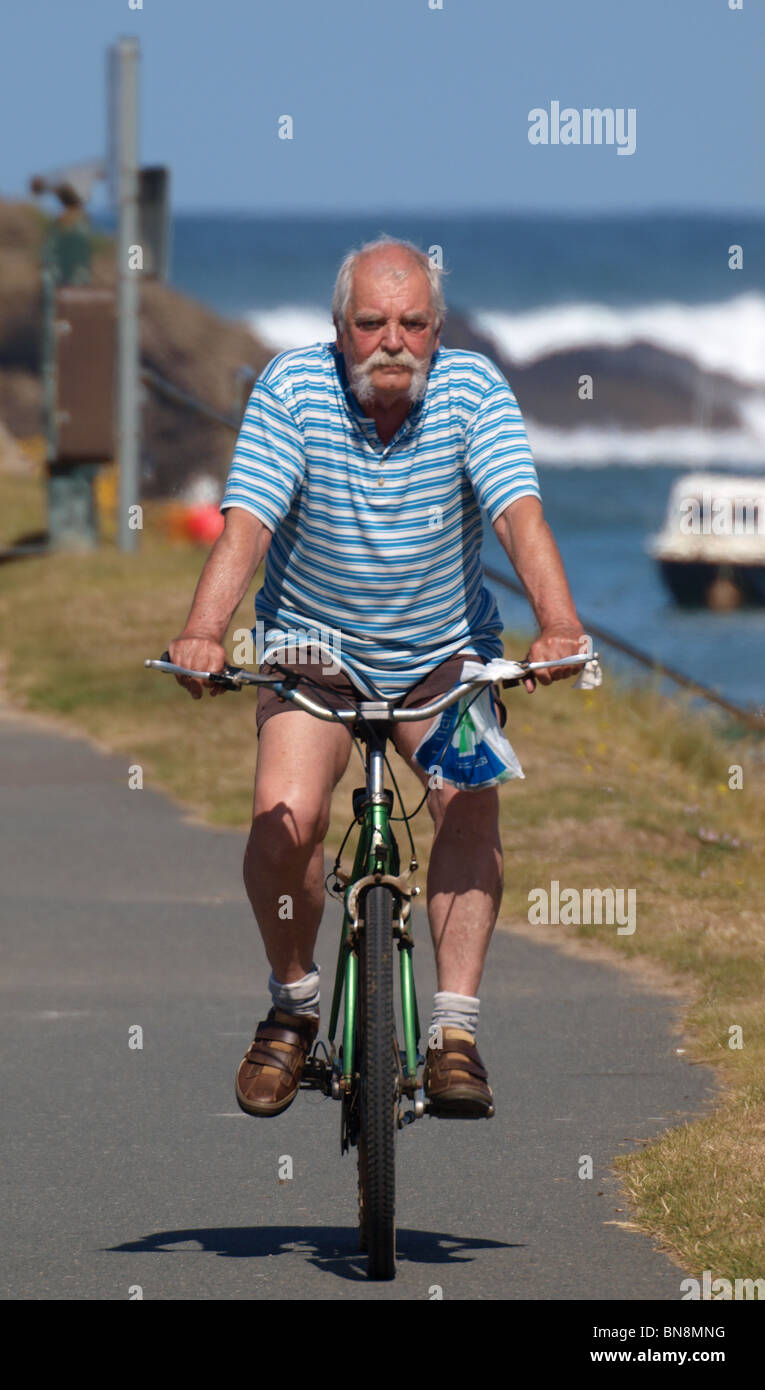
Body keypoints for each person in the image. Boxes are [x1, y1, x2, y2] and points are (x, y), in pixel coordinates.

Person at [167, 237, 584, 1120]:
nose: (391, 341)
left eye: (412, 322)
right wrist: (205, 633)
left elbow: (517, 515)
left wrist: (557, 625)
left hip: (442, 656)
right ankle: (292, 1006)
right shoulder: (291, 389)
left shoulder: (475, 392)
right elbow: (245, 526)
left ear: (437, 329)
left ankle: (455, 1032)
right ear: (338, 329)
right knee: (287, 818)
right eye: (370, 323)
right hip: (311, 657)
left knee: (468, 799)